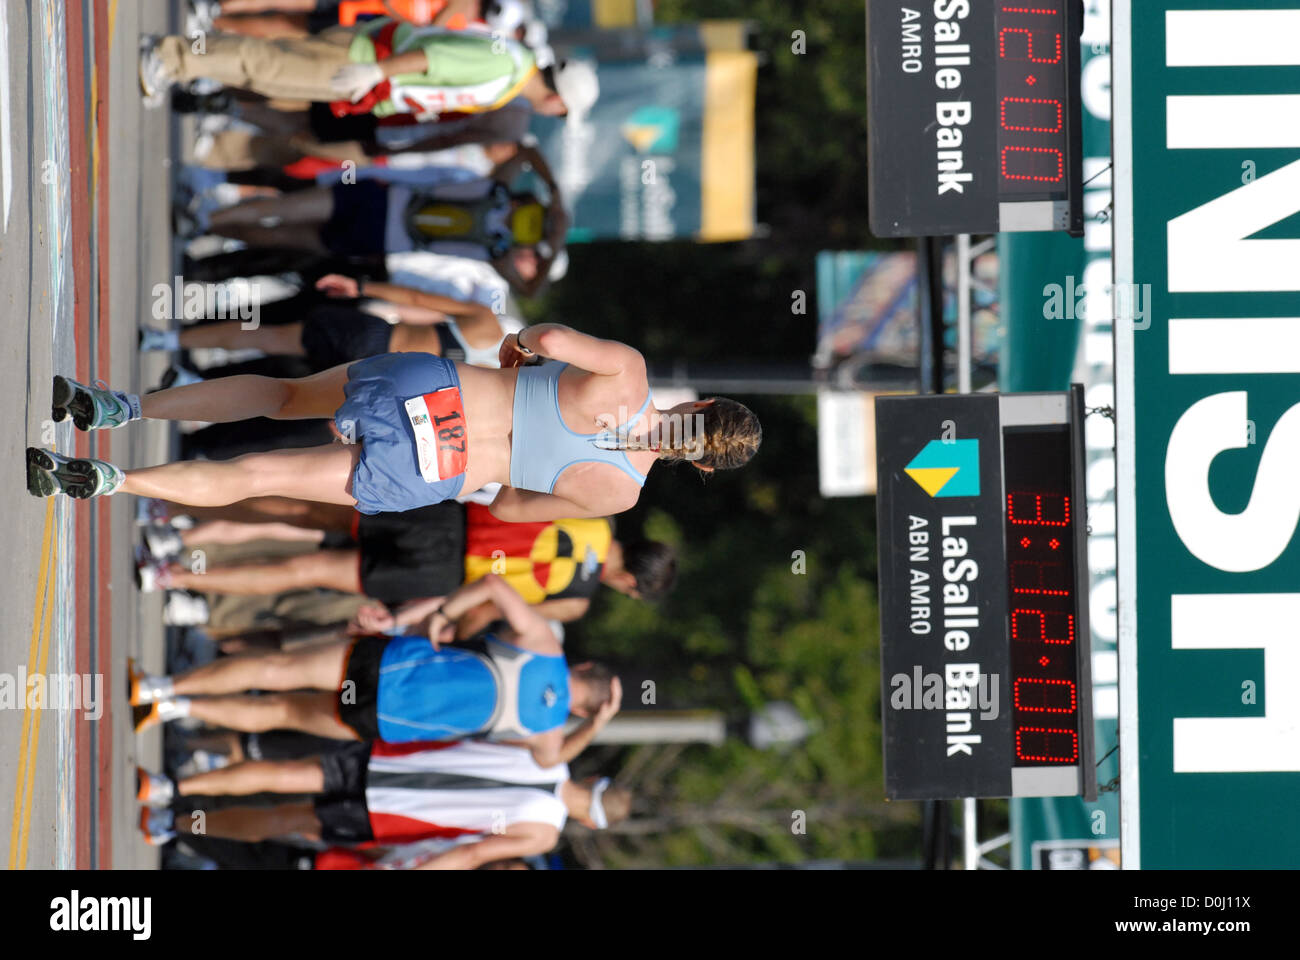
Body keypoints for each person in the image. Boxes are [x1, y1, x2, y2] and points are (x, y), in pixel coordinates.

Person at [26, 323, 762, 524]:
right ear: (700, 464)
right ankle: (111, 483)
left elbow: (552, 338)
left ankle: (125, 407)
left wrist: (520, 353)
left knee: (283, 397)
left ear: (695, 406)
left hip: (439, 389)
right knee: (255, 477)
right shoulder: (619, 497)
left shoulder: (630, 373)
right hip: (437, 469)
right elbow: (508, 507)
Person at [128, 574, 623, 770]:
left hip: (390, 665)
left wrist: (444, 617)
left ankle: (157, 687)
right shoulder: (551, 733)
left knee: (275, 668)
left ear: (581, 664)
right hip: (388, 719)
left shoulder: (541, 643)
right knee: (278, 710)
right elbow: (551, 764)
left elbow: (494, 584)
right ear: (582, 709)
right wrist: (596, 727)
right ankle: (173, 709)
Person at [136, 738, 631, 869]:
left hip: (393, 761)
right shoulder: (544, 835)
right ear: (591, 820)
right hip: (390, 819)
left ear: (593, 777)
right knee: (278, 820)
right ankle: (172, 824)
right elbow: (472, 855)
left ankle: (166, 788)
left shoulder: (548, 755)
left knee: (288, 773)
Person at [139, 498, 677, 616]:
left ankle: (171, 514)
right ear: (631, 581)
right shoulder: (576, 604)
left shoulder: (598, 510)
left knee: (307, 514)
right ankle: (172, 576)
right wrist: (421, 615)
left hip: (451, 519)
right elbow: (490, 608)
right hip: (441, 574)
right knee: (304, 573)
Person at [199, 144, 569, 297]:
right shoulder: (498, 252)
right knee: (279, 237)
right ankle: (207, 222)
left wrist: (554, 191)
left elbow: (527, 151)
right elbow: (529, 289)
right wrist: (549, 252)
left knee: (282, 213)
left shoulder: (497, 189)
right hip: (378, 240)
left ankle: (206, 219)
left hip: (378, 202)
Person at [138, 16, 596, 123]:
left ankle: (176, 58)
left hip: (372, 54)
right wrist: (374, 75)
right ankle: (171, 57)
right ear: (557, 101)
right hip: (366, 62)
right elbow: (434, 61)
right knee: (267, 66)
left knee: (267, 69)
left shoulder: (513, 64)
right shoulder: (504, 69)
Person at [139, 274, 517, 372]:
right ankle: (192, 379)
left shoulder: (487, 322)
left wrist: (361, 287)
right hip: (376, 376)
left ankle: (167, 341)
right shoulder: (503, 390)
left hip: (373, 336)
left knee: (270, 338)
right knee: (279, 388)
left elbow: (417, 299)